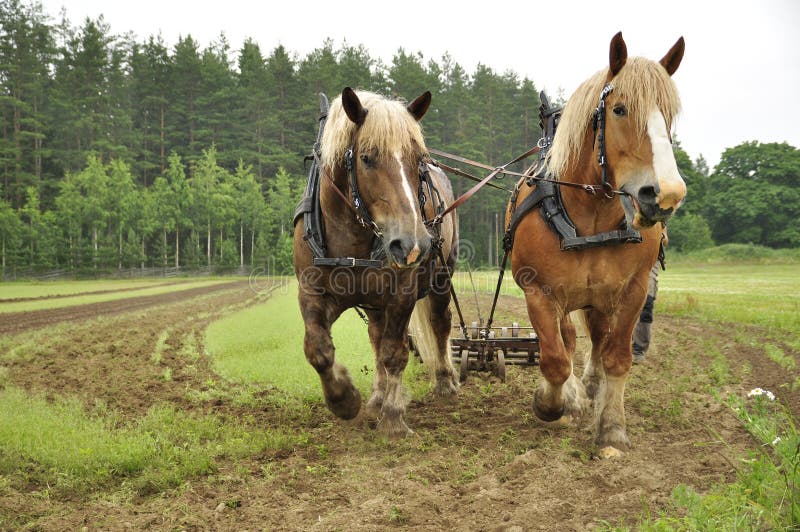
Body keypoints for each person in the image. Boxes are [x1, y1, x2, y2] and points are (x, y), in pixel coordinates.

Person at [632, 225, 667, 364]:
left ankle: (638, 349)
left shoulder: (655, 217)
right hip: (625, 260)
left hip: (649, 261)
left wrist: (660, 237)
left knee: (646, 302)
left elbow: (665, 239)